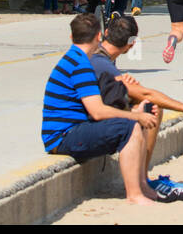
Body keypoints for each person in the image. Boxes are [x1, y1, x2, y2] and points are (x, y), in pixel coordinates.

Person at [39, 13, 157, 205]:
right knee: (129, 126)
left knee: (135, 119)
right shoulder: (80, 65)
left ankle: (142, 185)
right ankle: (135, 194)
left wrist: (133, 113)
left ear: (72, 37)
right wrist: (133, 117)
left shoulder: (74, 58)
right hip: (63, 137)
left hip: (71, 130)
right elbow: (97, 112)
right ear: (98, 36)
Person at [94, 16, 183, 201]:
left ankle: (142, 179)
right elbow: (146, 94)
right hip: (84, 126)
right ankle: (141, 182)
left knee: (145, 107)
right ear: (132, 44)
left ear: (106, 33)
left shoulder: (100, 58)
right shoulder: (103, 64)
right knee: (150, 108)